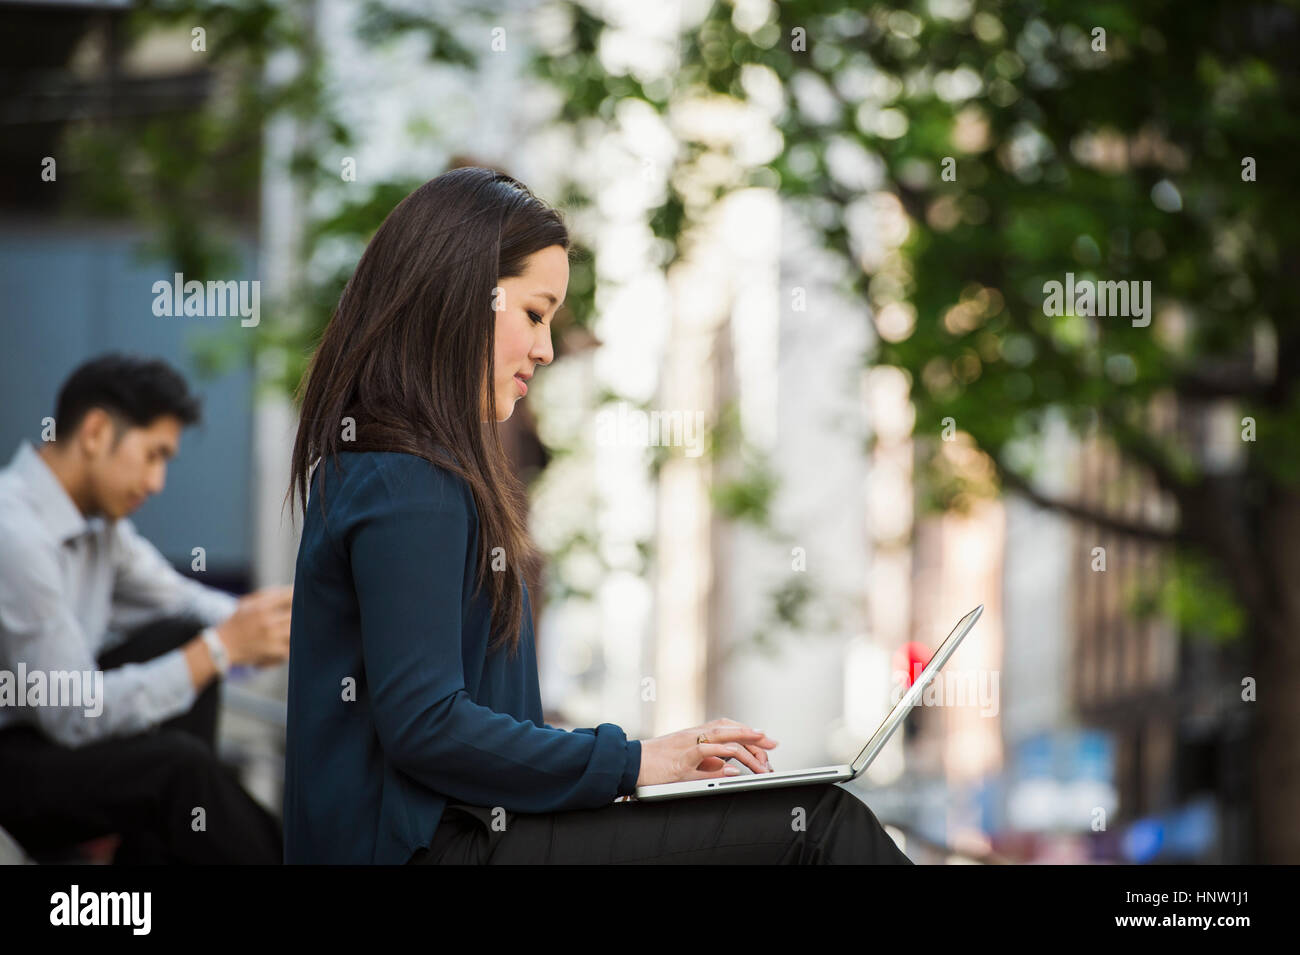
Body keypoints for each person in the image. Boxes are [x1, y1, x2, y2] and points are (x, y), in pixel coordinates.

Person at [283, 167, 912, 865]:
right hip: (438, 850)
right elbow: (427, 724)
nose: (546, 349)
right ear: (462, 295)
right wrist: (633, 761)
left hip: (465, 838)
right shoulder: (407, 477)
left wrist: (608, 770)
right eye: (533, 312)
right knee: (814, 825)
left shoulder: (395, 467)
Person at [0, 354, 291, 863]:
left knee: (181, 634)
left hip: (49, 735)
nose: (156, 483)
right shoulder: (15, 532)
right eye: (153, 455)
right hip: (15, 762)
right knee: (180, 768)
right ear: (95, 432)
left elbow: (188, 602)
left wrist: (280, 623)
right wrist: (222, 650)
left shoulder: (101, 530)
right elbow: (73, 713)